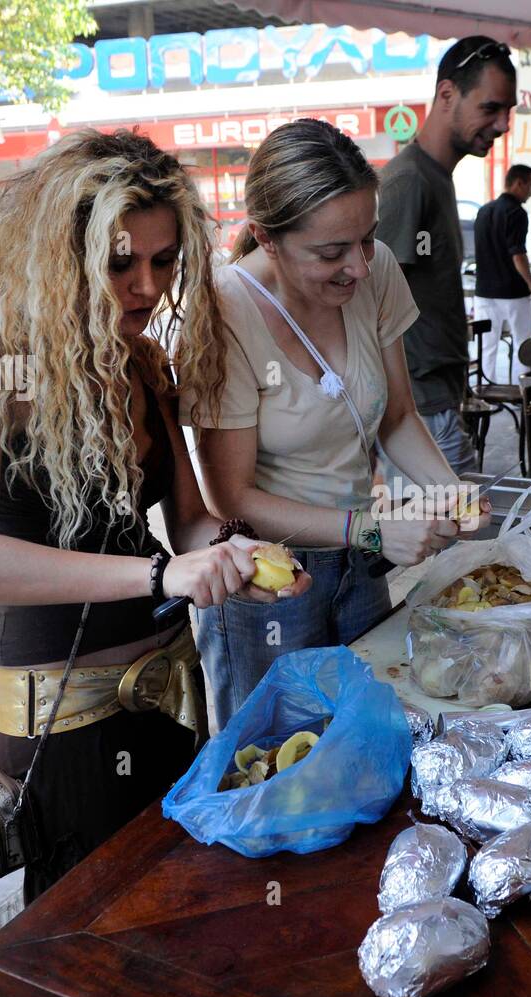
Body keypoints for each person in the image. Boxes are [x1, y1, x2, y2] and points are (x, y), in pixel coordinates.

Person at [0, 129, 310, 904]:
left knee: (180, 892)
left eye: (165, 261)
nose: (147, 285)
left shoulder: (146, 363)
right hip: (60, 711)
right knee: (84, 917)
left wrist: (236, 556)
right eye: (120, 262)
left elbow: (195, 518)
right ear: (62, 257)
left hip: (173, 683)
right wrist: (162, 571)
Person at [187, 119, 492, 728]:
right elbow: (230, 497)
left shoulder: (375, 274)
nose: (358, 266)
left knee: (364, 735)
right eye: (330, 253)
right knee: (277, 759)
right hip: (268, 581)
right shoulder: (224, 313)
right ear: (266, 239)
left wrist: (448, 489)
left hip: (361, 565)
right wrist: (373, 530)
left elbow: (398, 416)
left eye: (368, 239)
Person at [376, 35, 518, 475]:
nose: (503, 124)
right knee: (458, 536)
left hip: (434, 403)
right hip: (419, 414)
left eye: (508, 110)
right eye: (491, 107)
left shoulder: (436, 176)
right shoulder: (408, 182)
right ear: (446, 94)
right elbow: (369, 301)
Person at [473, 164, 531, 382]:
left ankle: (485, 395)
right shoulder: (517, 213)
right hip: (513, 293)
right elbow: (517, 254)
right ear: (519, 183)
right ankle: (524, 397)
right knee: (524, 344)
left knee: (486, 346)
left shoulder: (483, 211)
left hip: (484, 292)